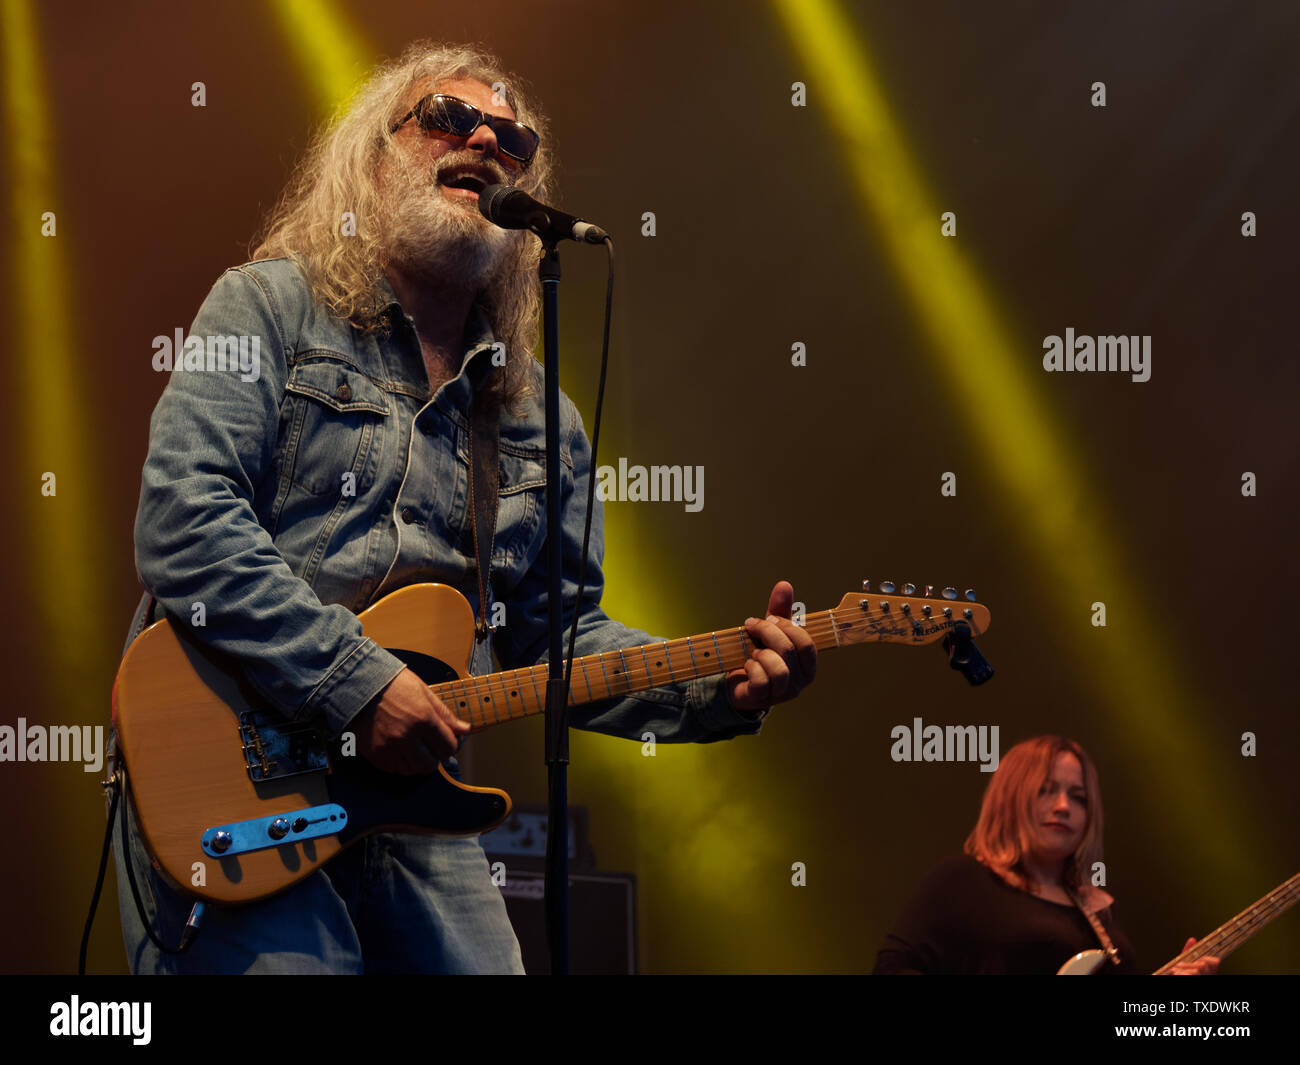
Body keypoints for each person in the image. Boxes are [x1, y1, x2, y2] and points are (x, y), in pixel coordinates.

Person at [111, 41, 817, 974]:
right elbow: (184, 519)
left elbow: (558, 638)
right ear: (375, 156)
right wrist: (355, 681)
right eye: (448, 117)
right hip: (231, 774)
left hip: (410, 804)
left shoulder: (539, 417)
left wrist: (720, 683)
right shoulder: (268, 307)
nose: (485, 135)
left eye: (513, 137)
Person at [873, 735, 1219, 975]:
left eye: (1079, 797)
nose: (1064, 806)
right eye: (1046, 790)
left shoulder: (1097, 909)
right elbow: (891, 968)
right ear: (1011, 798)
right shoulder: (964, 880)